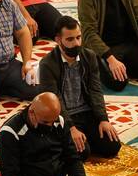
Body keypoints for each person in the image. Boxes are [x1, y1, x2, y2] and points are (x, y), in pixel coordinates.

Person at [36, 18, 122, 161]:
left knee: (112, 146)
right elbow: (54, 100)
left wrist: (103, 119)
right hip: (62, 117)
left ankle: (77, 140)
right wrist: (71, 128)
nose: (76, 43)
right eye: (70, 39)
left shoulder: (89, 56)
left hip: (86, 113)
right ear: (58, 40)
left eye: (78, 37)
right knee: (82, 153)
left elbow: (95, 90)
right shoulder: (47, 64)